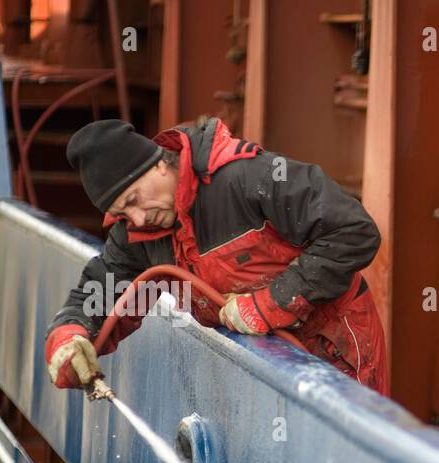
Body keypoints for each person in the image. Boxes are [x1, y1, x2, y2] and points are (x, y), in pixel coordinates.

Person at [44, 117, 388, 394]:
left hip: (335, 346)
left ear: (159, 166)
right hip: (259, 358)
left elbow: (354, 231)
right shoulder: (139, 232)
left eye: (133, 199)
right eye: (122, 213)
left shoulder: (247, 177)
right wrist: (69, 336)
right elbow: (103, 289)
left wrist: (273, 302)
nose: (137, 219)